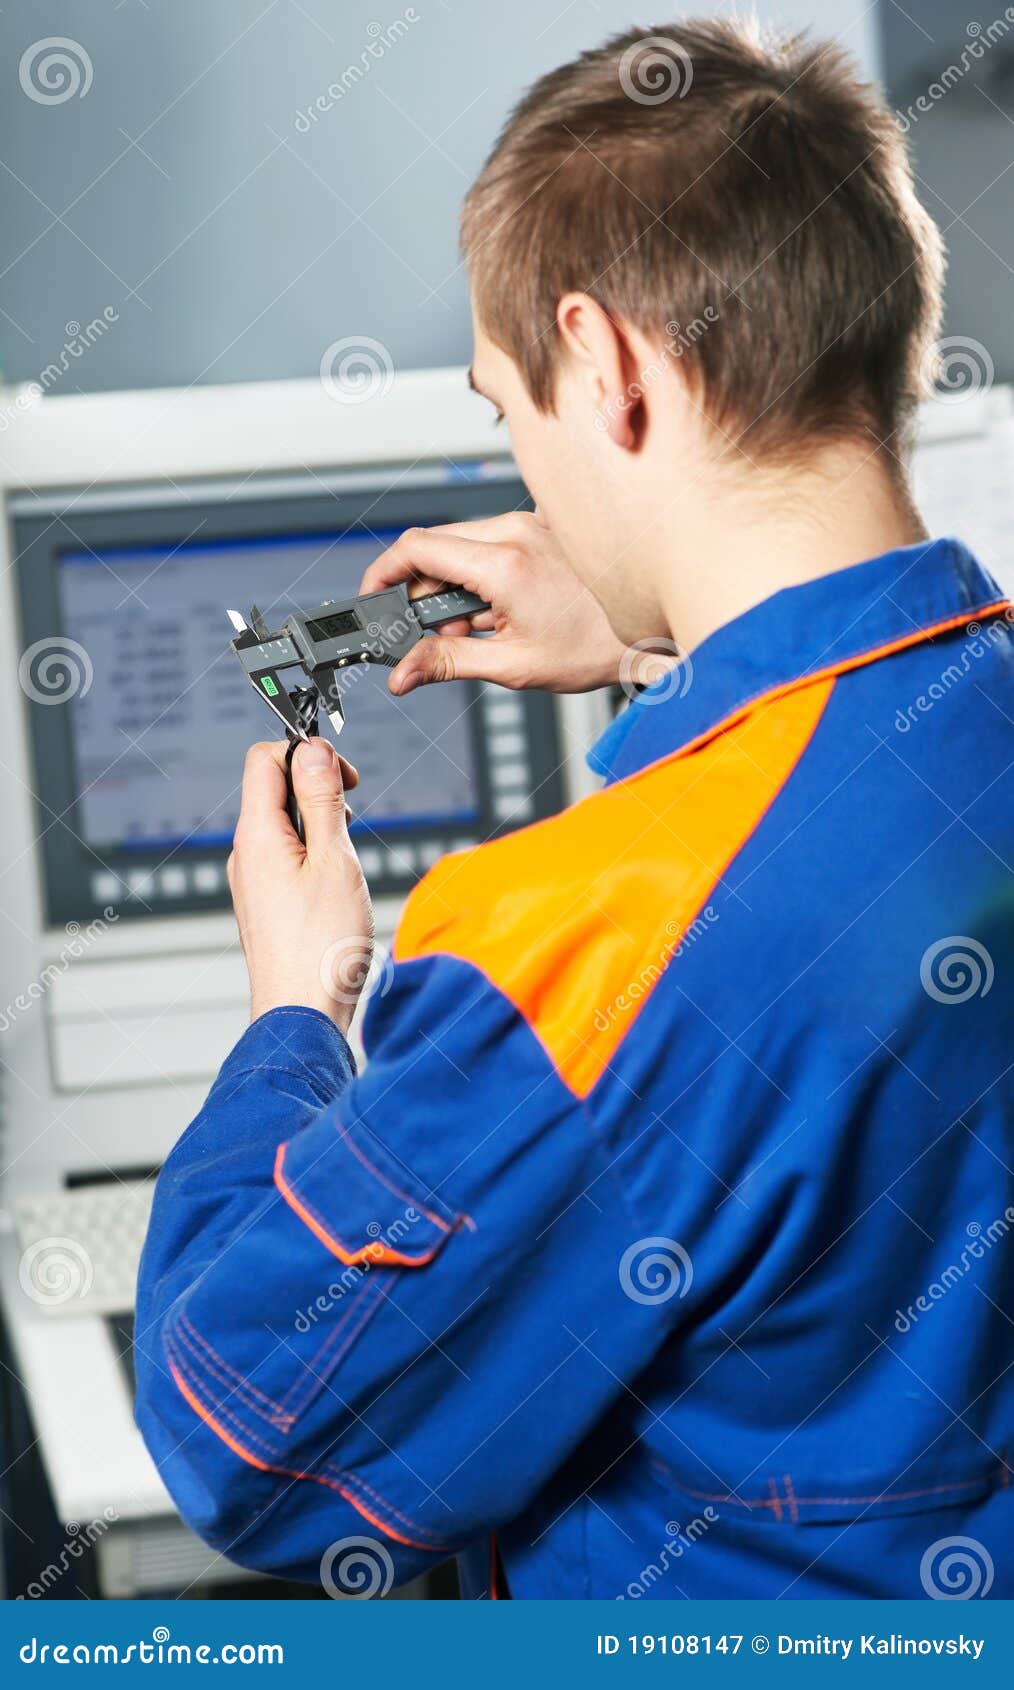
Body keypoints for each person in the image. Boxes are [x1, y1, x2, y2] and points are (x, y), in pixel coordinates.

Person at [135, 19, 1013, 1599]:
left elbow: (244, 1435)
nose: (523, 466)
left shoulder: (578, 937)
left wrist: (295, 1009)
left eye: (507, 408)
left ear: (604, 367)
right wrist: (654, 632)